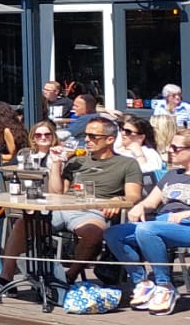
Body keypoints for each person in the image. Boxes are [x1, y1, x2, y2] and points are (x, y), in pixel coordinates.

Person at [38, 112, 147, 284]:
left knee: (93, 233)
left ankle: (68, 277)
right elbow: (56, 193)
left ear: (110, 139)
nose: (87, 139)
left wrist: (118, 200)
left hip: (93, 211)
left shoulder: (127, 163)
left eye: (93, 136)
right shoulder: (77, 161)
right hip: (64, 207)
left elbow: (134, 195)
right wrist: (56, 164)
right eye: (86, 135)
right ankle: (5, 278)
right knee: (24, 224)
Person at [105, 134, 190, 314]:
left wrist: (186, 213)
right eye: (170, 146)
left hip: (186, 224)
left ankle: (164, 285)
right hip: (165, 221)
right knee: (114, 233)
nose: (170, 151)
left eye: (176, 148)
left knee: (147, 229)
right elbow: (152, 202)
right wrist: (141, 206)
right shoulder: (172, 174)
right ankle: (142, 282)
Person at [119, 115, 166, 186]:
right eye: (122, 129)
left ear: (141, 137)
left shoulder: (148, 152)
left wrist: (139, 154)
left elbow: (150, 173)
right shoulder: (115, 148)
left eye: (128, 132)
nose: (123, 133)